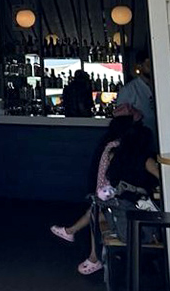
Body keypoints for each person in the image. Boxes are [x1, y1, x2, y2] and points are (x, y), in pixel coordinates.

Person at [50, 105, 158, 275]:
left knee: (95, 212)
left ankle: (90, 253)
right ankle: (90, 252)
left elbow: (105, 175)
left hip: (119, 211)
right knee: (96, 212)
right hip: (140, 221)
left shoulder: (115, 151)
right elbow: (162, 180)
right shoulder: (143, 159)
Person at [115, 52, 157, 146]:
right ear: (140, 66)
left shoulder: (159, 86)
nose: (151, 68)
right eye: (148, 65)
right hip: (139, 142)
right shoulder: (129, 90)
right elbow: (120, 120)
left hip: (160, 139)